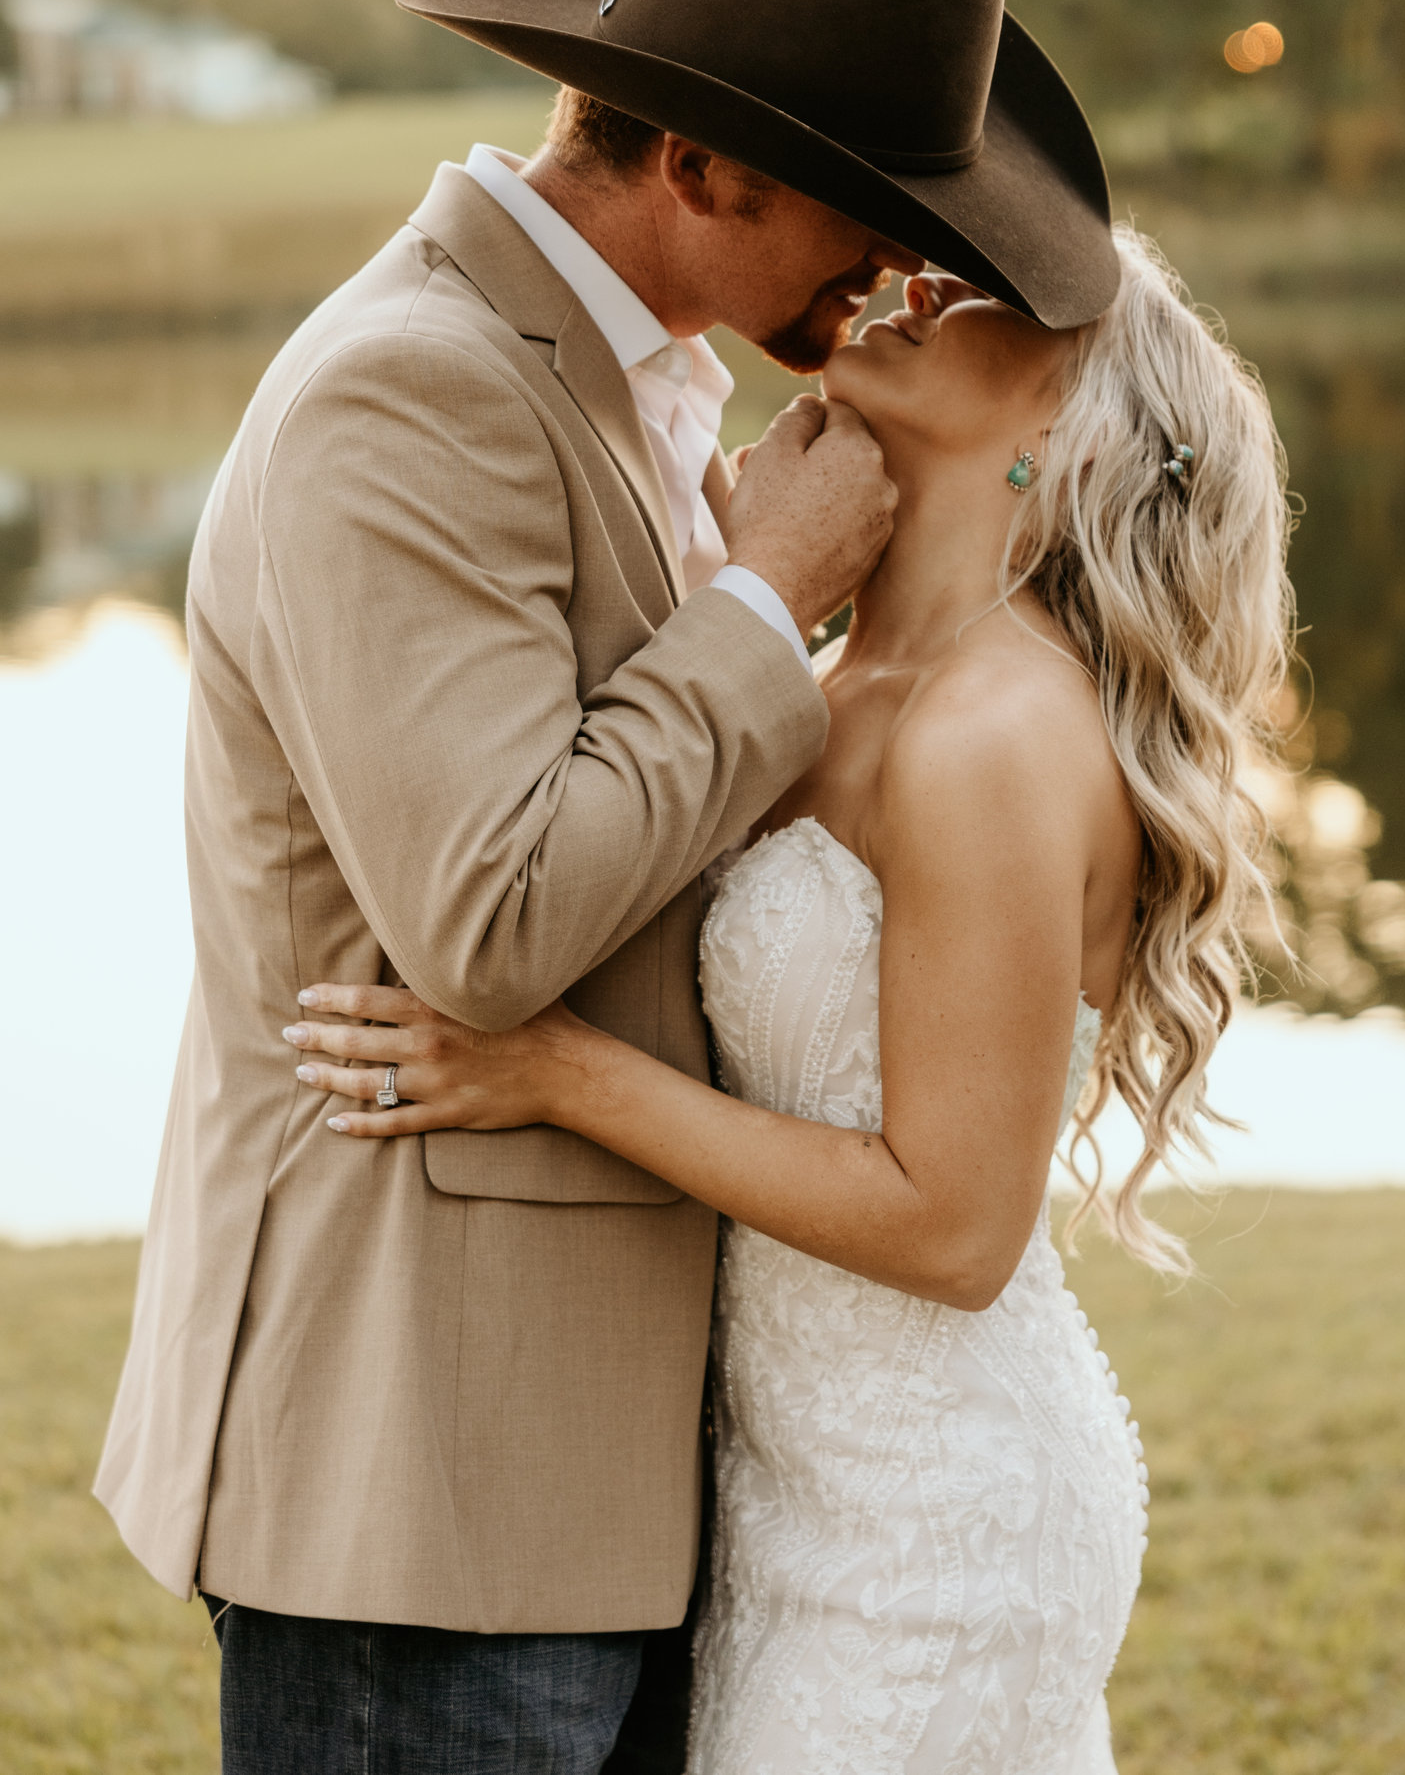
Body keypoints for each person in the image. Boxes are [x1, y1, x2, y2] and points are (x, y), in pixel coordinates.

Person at [96, 0, 1123, 1773]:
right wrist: (765, 600)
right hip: (426, 1470)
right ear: (702, 165)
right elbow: (487, 923)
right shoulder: (415, 386)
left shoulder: (626, 382)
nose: (904, 260)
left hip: (617, 1480)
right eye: (864, 200)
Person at [285, 228, 1294, 1772]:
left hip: (933, 1526)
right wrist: (738, 576)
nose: (924, 280)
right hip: (781, 1494)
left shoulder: (996, 728)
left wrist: (558, 1072)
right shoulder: (825, 692)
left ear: (1068, 424)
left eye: (997, 296)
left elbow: (956, 1228)